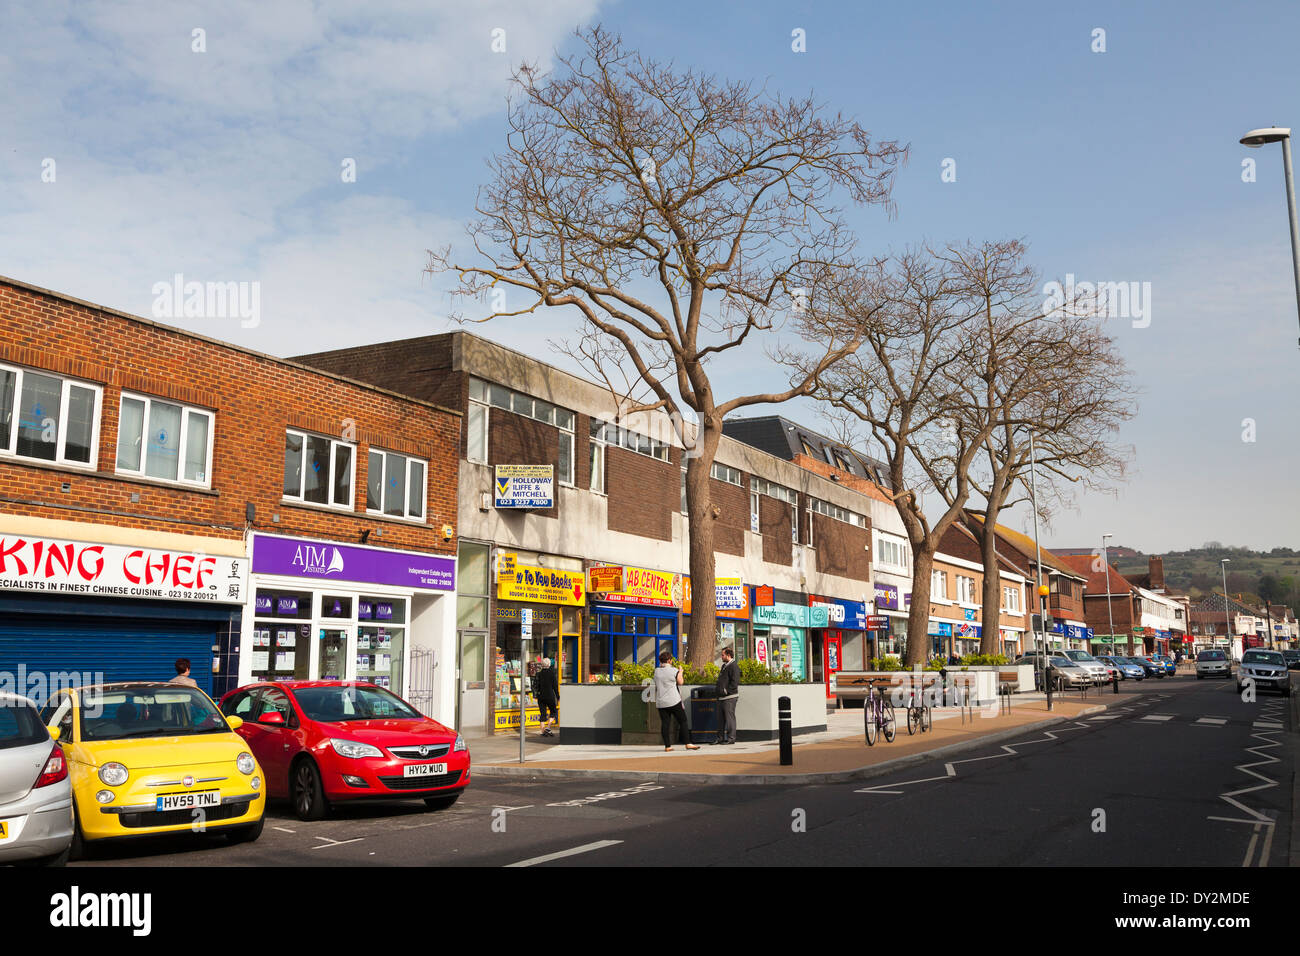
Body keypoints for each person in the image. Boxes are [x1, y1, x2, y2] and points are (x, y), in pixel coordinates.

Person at [653, 651, 699, 751]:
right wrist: (681, 672)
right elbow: (680, 682)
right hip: (674, 700)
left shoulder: (656, 671)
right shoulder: (674, 670)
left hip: (661, 702)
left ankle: (667, 746)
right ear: (669, 660)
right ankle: (688, 743)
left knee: (665, 723)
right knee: (683, 721)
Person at [714, 646, 740, 744]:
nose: (721, 657)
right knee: (720, 719)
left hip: (729, 697)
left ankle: (731, 738)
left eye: (723, 655)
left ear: (728, 655)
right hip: (721, 697)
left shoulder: (734, 666)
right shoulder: (724, 666)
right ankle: (720, 738)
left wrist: (726, 691)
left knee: (729, 718)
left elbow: (735, 682)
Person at [535, 657, 560, 738]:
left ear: (542, 664)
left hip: (541, 696)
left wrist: (536, 695)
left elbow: (536, 686)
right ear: (549, 664)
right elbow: (555, 686)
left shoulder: (539, 673)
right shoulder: (552, 673)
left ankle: (543, 731)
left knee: (542, 713)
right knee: (553, 711)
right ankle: (548, 728)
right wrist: (558, 696)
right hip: (550, 696)